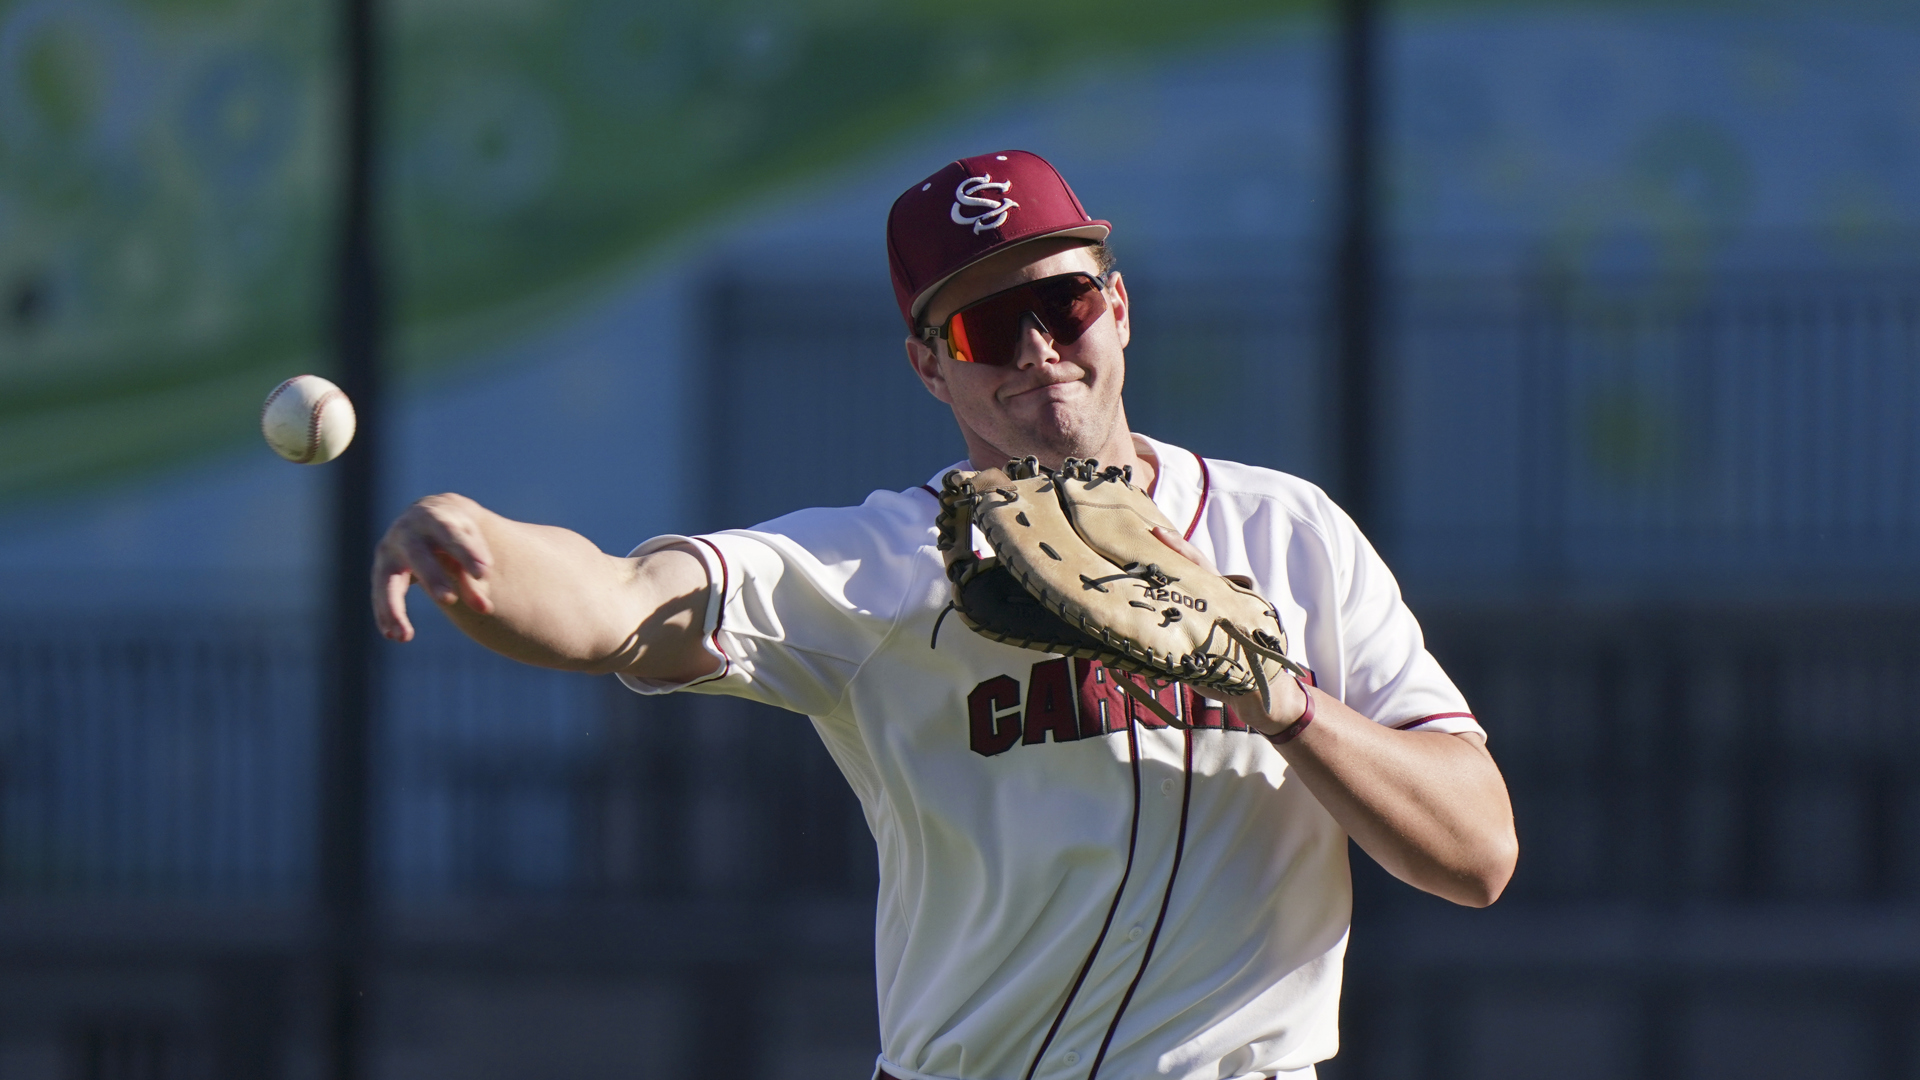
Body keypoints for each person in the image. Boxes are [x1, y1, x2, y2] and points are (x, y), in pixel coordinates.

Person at [372, 149, 1517, 1080]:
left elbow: (1478, 854)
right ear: (929, 365)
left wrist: (1283, 702)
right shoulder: (878, 564)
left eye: (1060, 303)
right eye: (982, 328)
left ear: (1116, 308)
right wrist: (477, 549)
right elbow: (624, 601)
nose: (1035, 351)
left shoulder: (1290, 535)